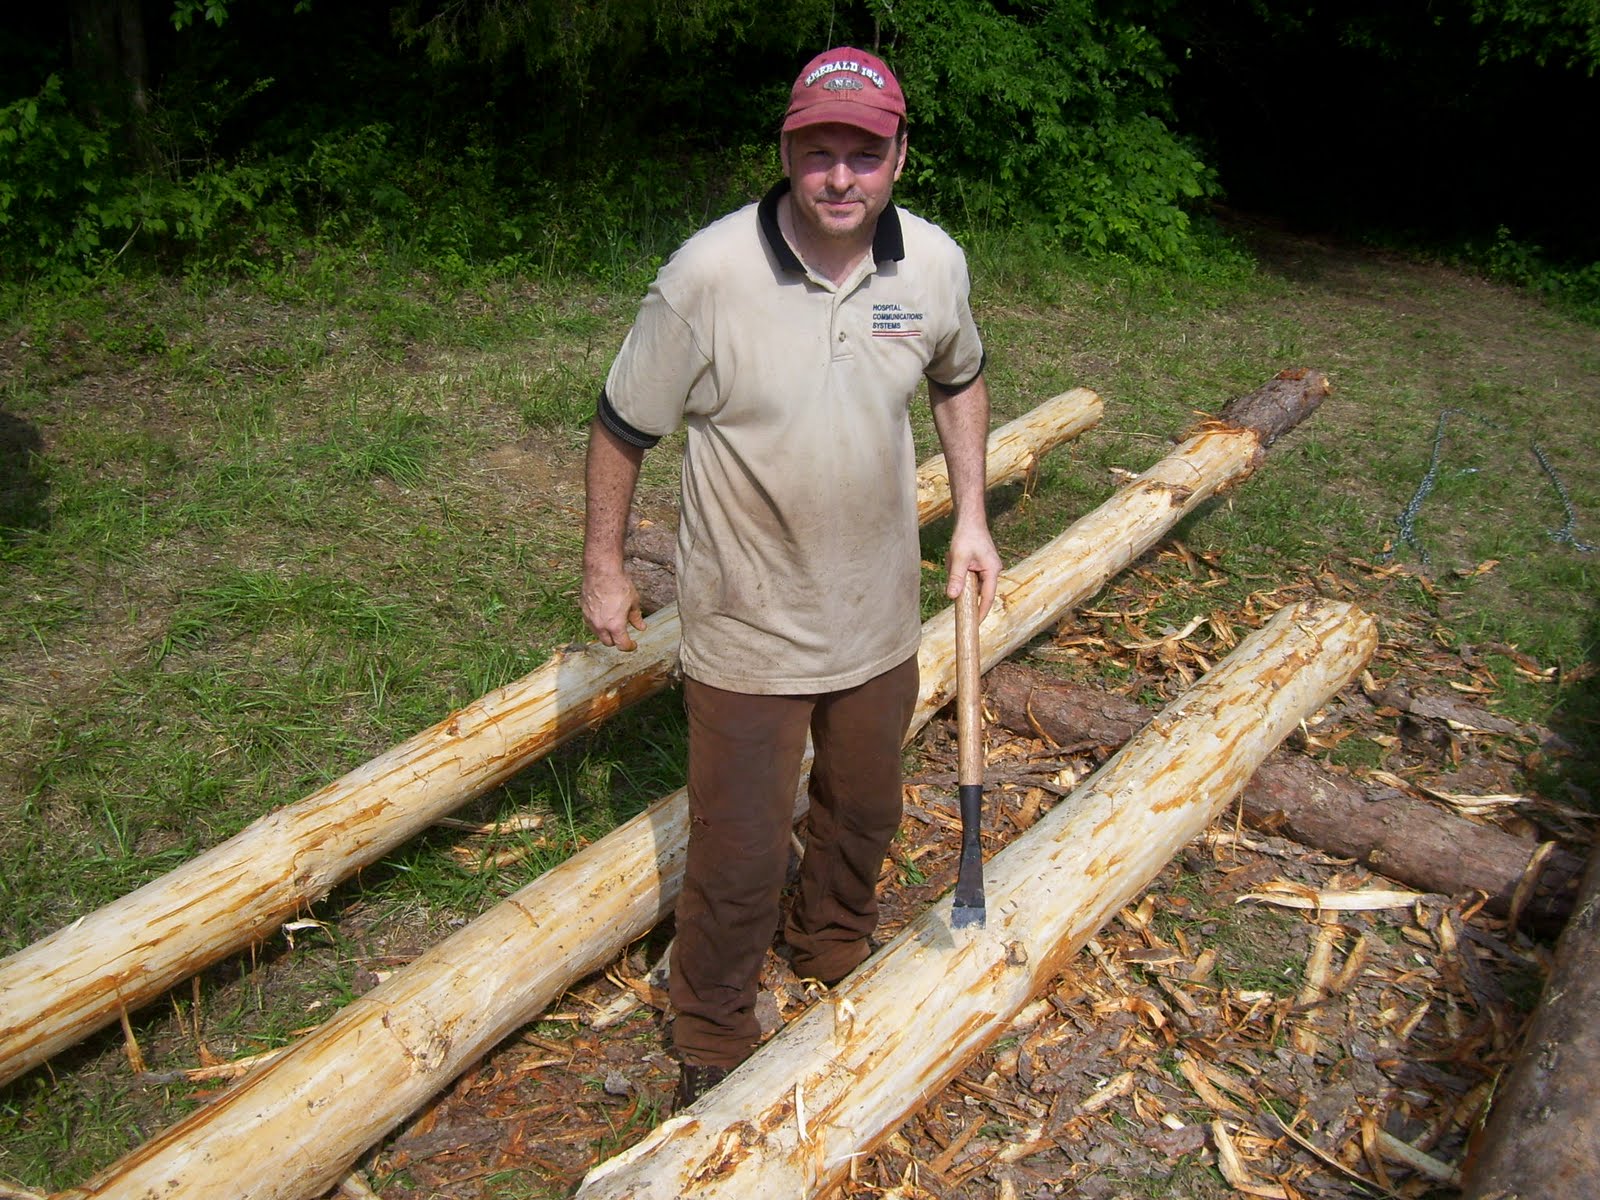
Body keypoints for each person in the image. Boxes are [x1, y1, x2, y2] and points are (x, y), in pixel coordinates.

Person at [580, 45, 1001, 1109]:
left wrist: (973, 521)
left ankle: (832, 946)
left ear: (900, 154)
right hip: (748, 622)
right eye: (819, 151)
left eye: (864, 152)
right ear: (785, 151)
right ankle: (712, 1032)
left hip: (876, 613)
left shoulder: (934, 265)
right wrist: (603, 566)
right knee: (739, 849)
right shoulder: (707, 277)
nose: (841, 177)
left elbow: (960, 376)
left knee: (862, 807)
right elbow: (623, 425)